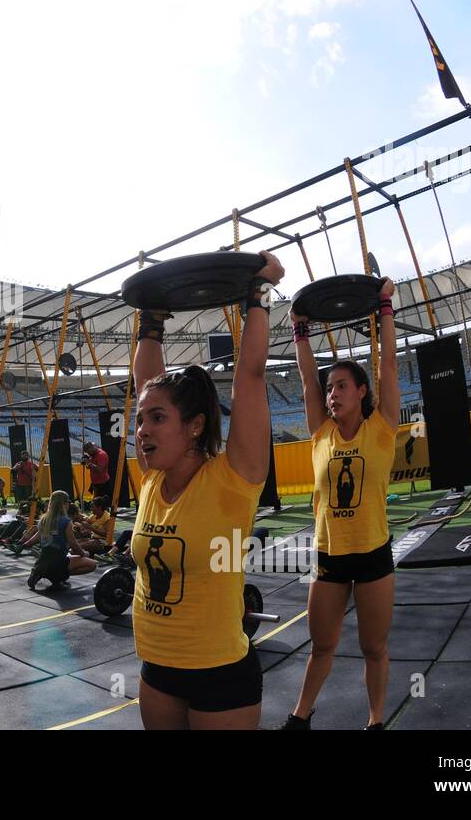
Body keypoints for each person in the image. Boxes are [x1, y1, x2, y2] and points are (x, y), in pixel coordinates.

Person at [129, 251, 283, 729]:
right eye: (139, 420)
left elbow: (250, 376)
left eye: (157, 419)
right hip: (157, 670)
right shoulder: (152, 480)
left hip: (220, 675)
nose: (142, 430)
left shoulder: (233, 479)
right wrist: (151, 321)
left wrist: (256, 296)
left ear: (195, 426)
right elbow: (143, 383)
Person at [282, 278, 400, 731]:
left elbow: (388, 363)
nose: (332, 393)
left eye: (342, 386)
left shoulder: (381, 429)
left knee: (374, 648)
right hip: (329, 556)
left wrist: (385, 306)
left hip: (372, 554)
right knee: (321, 646)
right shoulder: (320, 434)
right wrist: (300, 330)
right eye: (330, 388)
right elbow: (306, 376)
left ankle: (374, 721)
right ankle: (300, 717)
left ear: (362, 392)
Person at [23, 490, 97, 590]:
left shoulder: (44, 519)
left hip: (42, 562)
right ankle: (59, 578)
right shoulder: (66, 521)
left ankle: (39, 573)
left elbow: (34, 539)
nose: (69, 504)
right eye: (68, 502)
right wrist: (84, 554)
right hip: (58, 563)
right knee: (92, 564)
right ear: (64, 504)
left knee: (62, 557)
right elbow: (74, 545)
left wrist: (24, 543)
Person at [82, 441, 111, 506]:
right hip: (96, 483)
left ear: (92, 448)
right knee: (97, 504)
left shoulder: (101, 455)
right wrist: (88, 464)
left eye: (88, 452)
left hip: (103, 484)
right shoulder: (93, 455)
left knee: (102, 504)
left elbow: (100, 469)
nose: (88, 454)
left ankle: (105, 514)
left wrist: (90, 463)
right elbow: (93, 466)